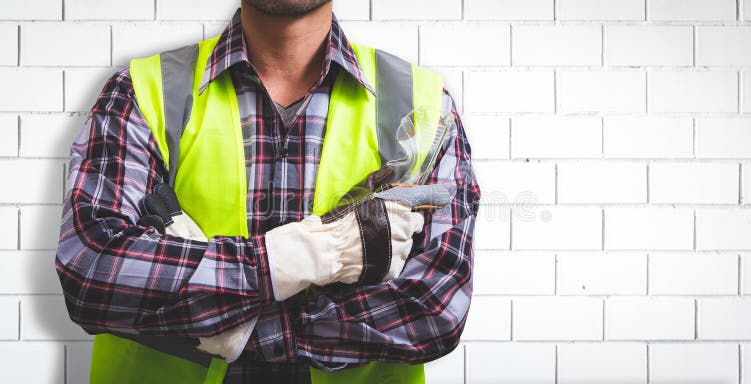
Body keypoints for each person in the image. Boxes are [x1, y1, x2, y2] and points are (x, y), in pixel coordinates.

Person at [54, 0, 480, 382]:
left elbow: (434, 307)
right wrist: (311, 255)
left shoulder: (422, 105)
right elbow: (93, 268)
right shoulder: (141, 92)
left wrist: (235, 325)